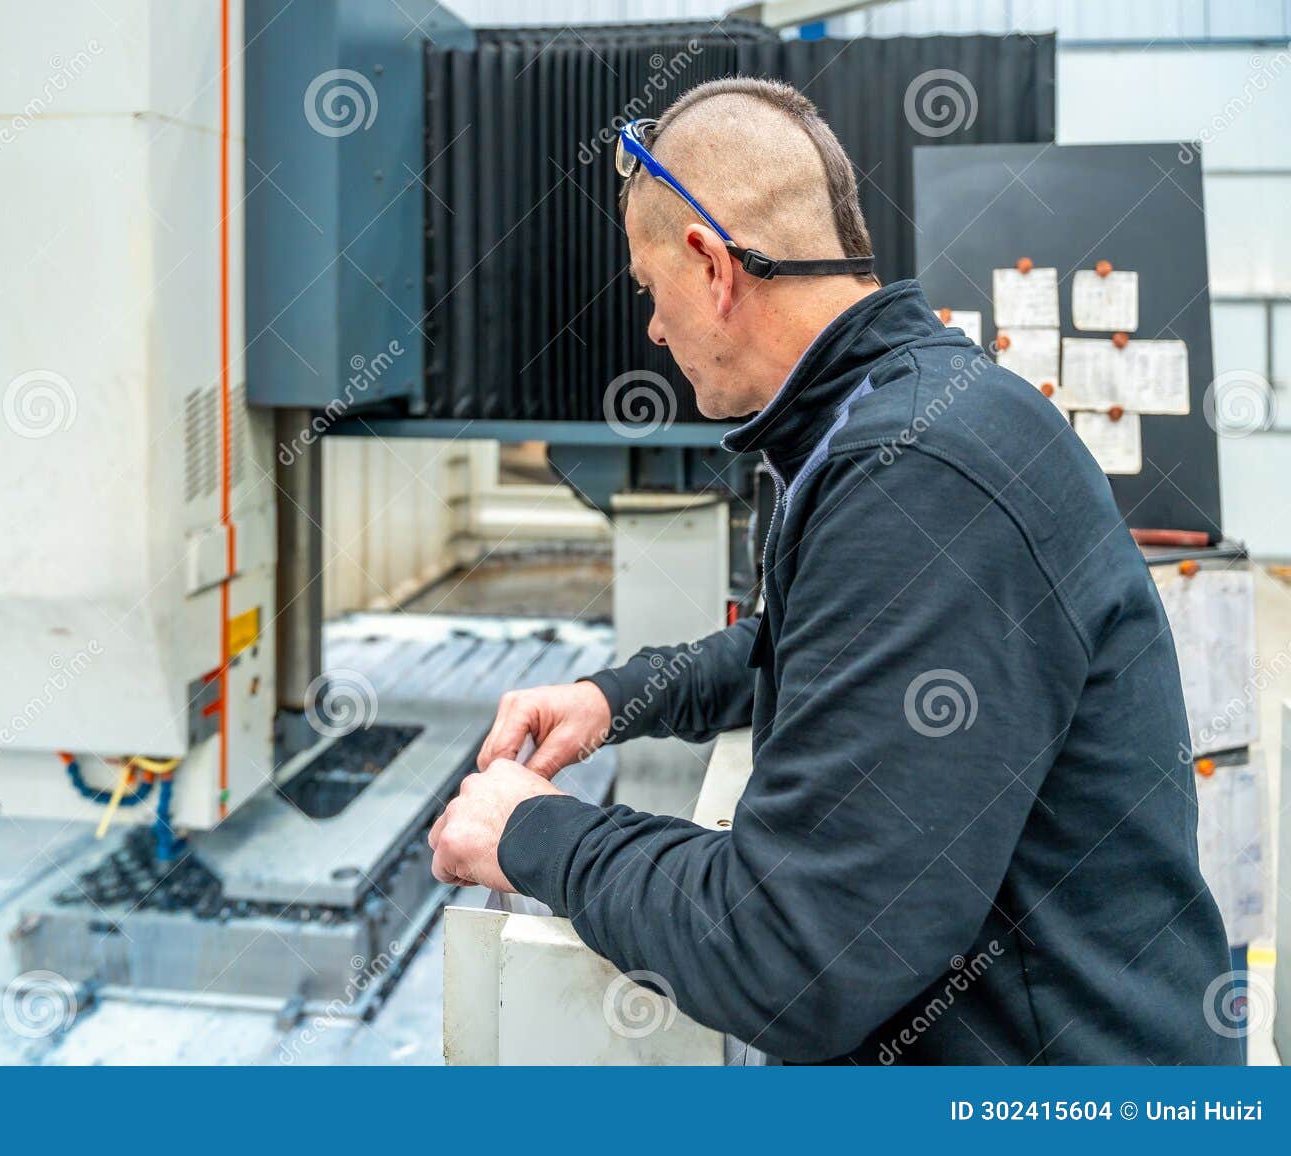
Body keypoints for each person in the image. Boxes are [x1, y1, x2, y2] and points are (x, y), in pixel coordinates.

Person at [427, 77, 1238, 1064]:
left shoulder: (922, 475)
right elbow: (801, 642)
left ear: (711, 267)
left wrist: (536, 834)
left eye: (650, 292)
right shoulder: (901, 413)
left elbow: (791, 954)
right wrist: (611, 697)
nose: (652, 330)